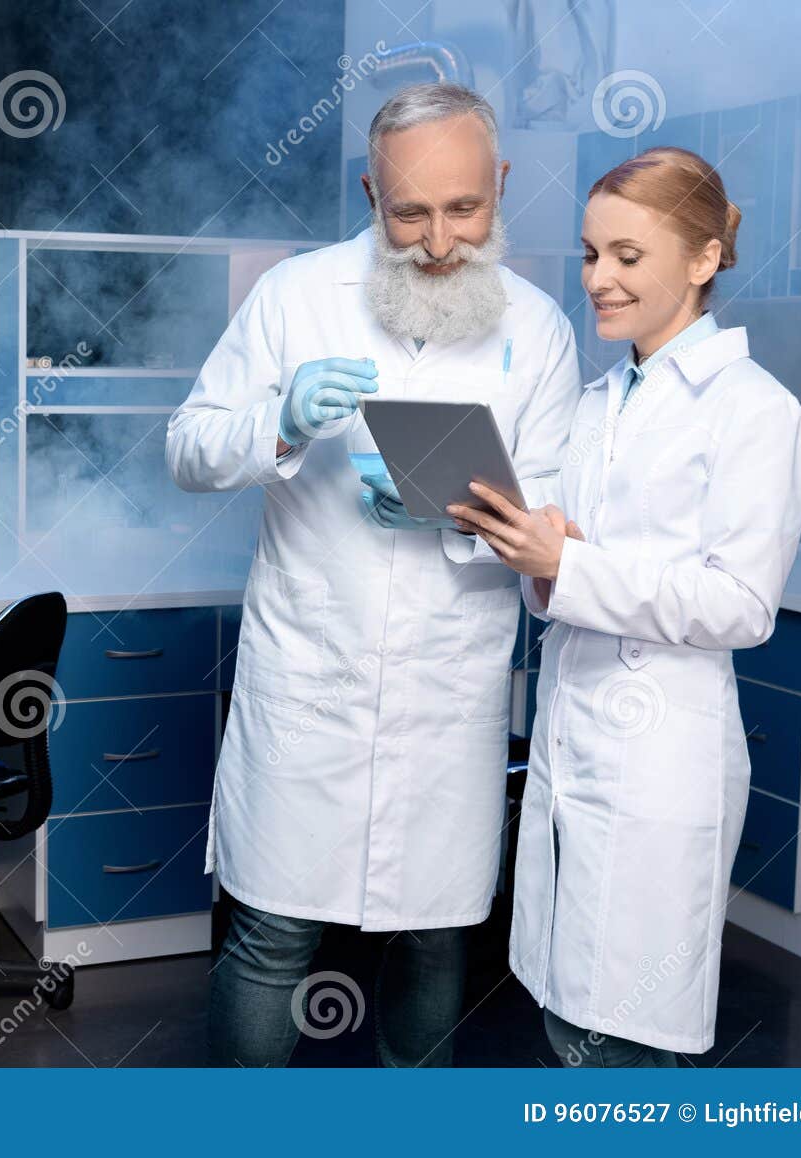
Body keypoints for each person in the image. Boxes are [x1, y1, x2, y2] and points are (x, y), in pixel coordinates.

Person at [166, 82, 580, 1067]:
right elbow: (186, 450)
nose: (439, 240)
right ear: (368, 193)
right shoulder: (295, 298)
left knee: (435, 936)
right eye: (409, 213)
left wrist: (465, 518)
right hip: (309, 680)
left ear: (501, 183)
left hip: (448, 686)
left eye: (464, 208)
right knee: (273, 934)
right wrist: (281, 420)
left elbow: (555, 519)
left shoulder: (541, 327)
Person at [447, 146, 801, 1066]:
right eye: (588, 254)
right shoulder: (597, 401)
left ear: (701, 261)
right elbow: (566, 582)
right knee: (566, 1021)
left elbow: (740, 607)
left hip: (661, 766)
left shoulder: (756, 412)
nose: (597, 280)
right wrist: (530, 555)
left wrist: (568, 563)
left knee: (620, 1041)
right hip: (576, 749)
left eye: (626, 256)